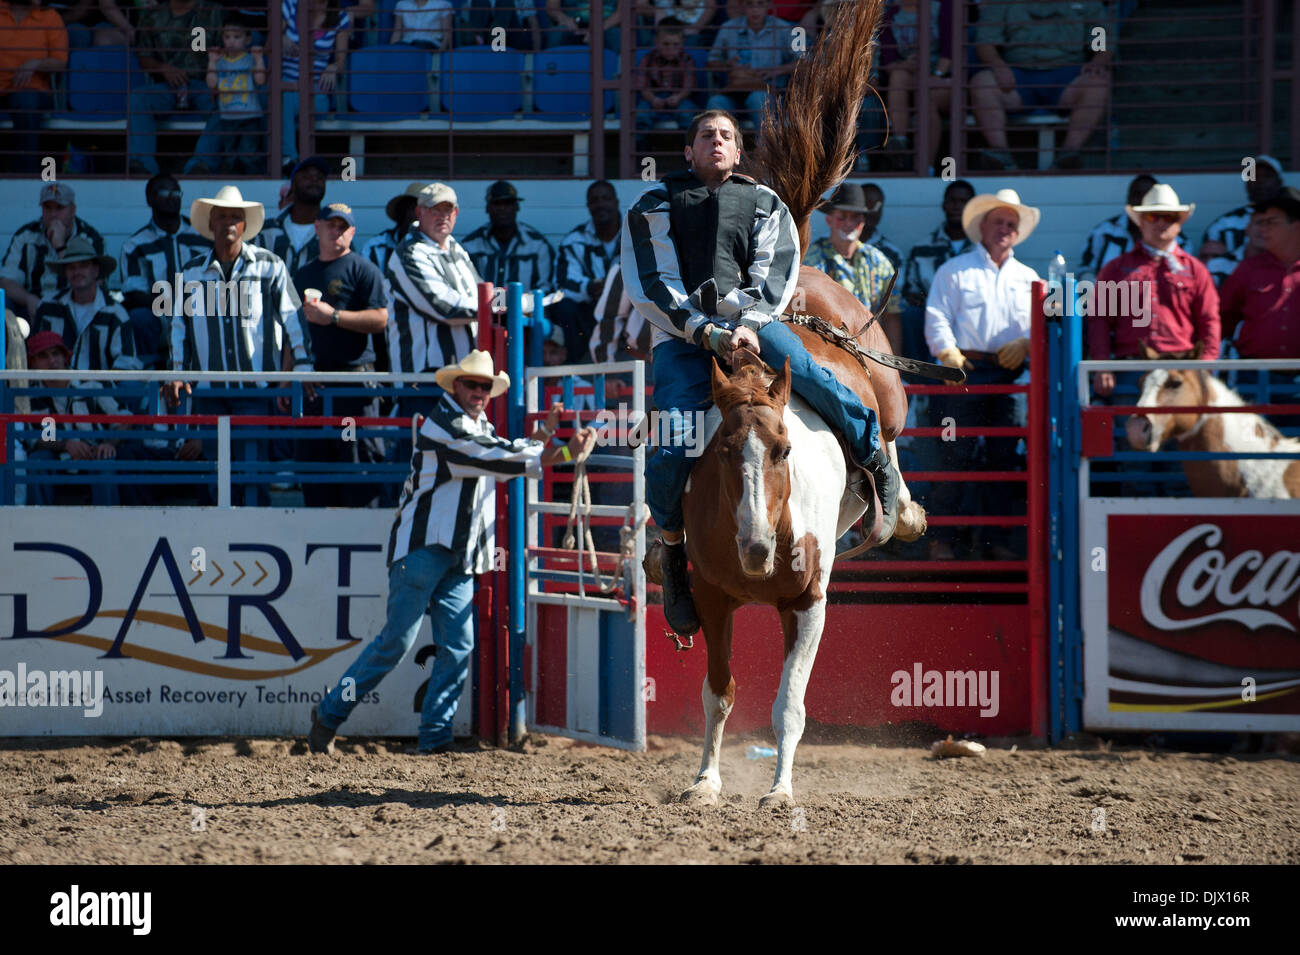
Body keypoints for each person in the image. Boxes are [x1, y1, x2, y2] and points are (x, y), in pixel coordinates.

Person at [622, 109, 902, 635]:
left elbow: (775, 270)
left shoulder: (763, 200)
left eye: (726, 136)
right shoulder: (653, 203)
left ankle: (876, 462)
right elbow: (653, 283)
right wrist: (706, 332)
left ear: (737, 149)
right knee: (674, 436)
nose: (717, 142)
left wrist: (748, 324)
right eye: (706, 135)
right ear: (689, 151)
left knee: (820, 381)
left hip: (753, 323)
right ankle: (674, 552)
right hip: (684, 339)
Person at [306, 350, 596, 755]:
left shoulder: (464, 424)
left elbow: (501, 452)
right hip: (427, 550)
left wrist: (547, 438)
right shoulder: (446, 426)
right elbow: (502, 458)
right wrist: (562, 452)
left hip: (446, 553)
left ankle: (431, 736)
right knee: (399, 644)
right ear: (456, 385)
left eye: (484, 386)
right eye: (473, 384)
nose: (479, 391)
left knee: (450, 645)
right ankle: (332, 715)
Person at [163, 185, 314, 507]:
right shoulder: (191, 272)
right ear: (211, 224)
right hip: (209, 391)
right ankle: (221, 538)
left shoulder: (269, 265)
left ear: (245, 225)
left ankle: (254, 536)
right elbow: (178, 327)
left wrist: (300, 369)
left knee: (252, 470)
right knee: (216, 473)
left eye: (236, 217)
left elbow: (293, 319)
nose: (229, 222)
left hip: (255, 390)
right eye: (222, 217)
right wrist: (176, 372)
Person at [925, 188, 1041, 560]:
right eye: (998, 222)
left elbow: (1042, 325)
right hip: (964, 373)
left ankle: (996, 541)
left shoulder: (1030, 278)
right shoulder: (955, 270)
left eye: (1011, 224)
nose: (1005, 229)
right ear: (982, 227)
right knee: (954, 455)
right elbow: (937, 315)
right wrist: (946, 351)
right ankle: (944, 539)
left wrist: (1026, 343)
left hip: (1009, 377)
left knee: (1002, 458)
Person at [291, 202, 389, 507]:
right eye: (330, 225)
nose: (336, 231)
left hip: (354, 383)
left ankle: (361, 546)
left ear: (352, 232)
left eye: (342, 227)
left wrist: (334, 317)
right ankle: (318, 546)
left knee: (359, 467)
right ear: (317, 227)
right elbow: (290, 331)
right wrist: (288, 376)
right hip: (312, 384)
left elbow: (381, 319)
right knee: (315, 471)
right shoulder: (302, 273)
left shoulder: (363, 269)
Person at [1089, 184, 1220, 396]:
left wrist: (1205, 365)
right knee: (1130, 428)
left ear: (1179, 224)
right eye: (1153, 217)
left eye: (1169, 217)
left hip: (1182, 369)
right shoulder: (1115, 269)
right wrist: (1102, 365)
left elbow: (1209, 321)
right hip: (1132, 367)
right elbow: (1100, 321)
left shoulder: (1196, 271)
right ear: (1140, 222)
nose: (1161, 222)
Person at [970, 0, 1113, 170]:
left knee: (1097, 83)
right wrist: (997, 65)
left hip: (1068, 76)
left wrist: (1098, 61)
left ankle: (1069, 154)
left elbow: (1103, 40)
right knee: (982, 82)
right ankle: (1001, 154)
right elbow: (985, 42)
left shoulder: (1088, 4)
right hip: (1017, 76)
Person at [385, 182, 482, 419]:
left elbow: (480, 293)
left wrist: (509, 303)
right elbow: (445, 308)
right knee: (421, 453)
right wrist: (504, 306)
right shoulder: (409, 252)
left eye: (447, 210)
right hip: (425, 379)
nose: (442, 216)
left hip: (462, 377)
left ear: (456, 214)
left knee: (460, 452)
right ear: (420, 213)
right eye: (435, 210)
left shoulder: (457, 249)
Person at [21, 330, 137, 506]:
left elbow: (125, 421)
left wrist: (109, 444)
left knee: (105, 463)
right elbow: (34, 439)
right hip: (57, 457)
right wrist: (65, 445)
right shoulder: (30, 394)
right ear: (33, 362)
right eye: (43, 356)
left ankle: (109, 528)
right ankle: (39, 528)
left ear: (64, 357)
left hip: (95, 453)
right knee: (37, 462)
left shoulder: (92, 382)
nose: (52, 361)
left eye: (55, 354)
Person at [118, 174, 212, 368]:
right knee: (139, 318)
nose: (172, 197)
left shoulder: (203, 237)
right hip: (159, 315)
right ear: (149, 199)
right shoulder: (136, 244)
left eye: (176, 192)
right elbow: (134, 294)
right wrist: (170, 306)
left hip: (201, 310)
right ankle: (149, 373)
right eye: (164, 192)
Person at [126, 0, 223, 175]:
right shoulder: (151, 14)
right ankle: (142, 166)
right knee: (139, 98)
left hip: (204, 85)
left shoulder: (213, 11)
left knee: (226, 102)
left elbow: (230, 49)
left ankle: (201, 165)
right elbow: (143, 57)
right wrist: (163, 68)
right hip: (167, 86)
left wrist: (214, 77)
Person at [803, 182, 902, 353]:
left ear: (863, 222)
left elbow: (892, 316)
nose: (849, 223)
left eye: (855, 217)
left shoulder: (879, 261)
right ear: (829, 220)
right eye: (842, 216)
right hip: (824, 346)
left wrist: (894, 366)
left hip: (871, 349)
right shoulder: (810, 260)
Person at [33, 235, 139, 374]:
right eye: (71, 267)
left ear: (96, 270)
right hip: (53, 391)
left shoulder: (116, 314)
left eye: (83, 266)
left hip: (100, 392)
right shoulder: (47, 307)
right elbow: (33, 352)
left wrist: (99, 387)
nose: (77, 272)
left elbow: (127, 363)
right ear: (65, 272)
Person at [2, 183, 107, 323]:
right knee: (4, 305)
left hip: (72, 308)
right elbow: (6, 281)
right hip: (32, 307)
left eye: (59, 208)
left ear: (73, 210)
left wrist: (60, 246)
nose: (53, 214)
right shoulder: (26, 235)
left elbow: (96, 285)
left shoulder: (90, 238)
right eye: (48, 208)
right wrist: (28, 300)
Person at [1220, 186, 1300, 363]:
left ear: (1295, 226)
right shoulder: (1248, 269)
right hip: (1253, 376)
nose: (1263, 229)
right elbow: (1222, 318)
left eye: (1271, 222)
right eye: (1261, 222)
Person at [901, 179, 973, 361]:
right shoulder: (922, 248)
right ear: (944, 205)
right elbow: (910, 291)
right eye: (953, 201)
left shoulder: (983, 249)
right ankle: (917, 382)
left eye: (964, 202)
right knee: (910, 315)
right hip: (930, 314)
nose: (957, 206)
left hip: (972, 315)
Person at [186, 16, 266, 175]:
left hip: (250, 116)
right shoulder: (220, 62)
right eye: (227, 37)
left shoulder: (250, 60)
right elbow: (211, 83)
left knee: (248, 154)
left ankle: (251, 179)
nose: (231, 41)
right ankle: (233, 179)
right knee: (230, 154)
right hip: (227, 117)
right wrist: (212, 62)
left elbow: (260, 79)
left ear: (248, 39)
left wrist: (258, 59)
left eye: (237, 37)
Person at [879, 0, 953, 171]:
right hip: (910, 73)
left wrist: (936, 76)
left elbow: (949, 50)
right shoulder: (890, 16)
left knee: (926, 98)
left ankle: (926, 167)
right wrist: (906, 65)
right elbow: (889, 63)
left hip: (942, 77)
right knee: (898, 76)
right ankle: (900, 141)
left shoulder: (941, 8)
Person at [553, 180, 621, 363]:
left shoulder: (635, 235)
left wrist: (615, 291)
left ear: (616, 202)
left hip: (627, 310)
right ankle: (576, 367)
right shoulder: (574, 241)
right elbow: (563, 286)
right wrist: (591, 287)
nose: (600, 204)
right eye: (594, 200)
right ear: (588, 206)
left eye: (606, 198)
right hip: (590, 310)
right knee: (564, 308)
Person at [279, 0, 350, 176]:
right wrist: (280, 39)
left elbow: (341, 61)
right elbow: (267, 46)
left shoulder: (340, 17)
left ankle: (290, 160)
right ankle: (293, 159)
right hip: (287, 82)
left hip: (317, 87)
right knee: (285, 99)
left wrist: (333, 67)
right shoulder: (290, 7)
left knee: (288, 103)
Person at [0, 0, 68, 174]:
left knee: (25, 100)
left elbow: (60, 62)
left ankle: (26, 176)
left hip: (33, 93)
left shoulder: (50, 17)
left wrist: (36, 63)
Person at [705, 0, 797, 129]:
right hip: (735, 90)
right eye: (749, 4)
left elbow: (805, 60)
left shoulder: (786, 29)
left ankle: (765, 148)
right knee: (715, 102)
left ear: (769, 5)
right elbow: (710, 62)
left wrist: (777, 70)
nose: (755, 9)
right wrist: (727, 65)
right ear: (743, 5)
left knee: (758, 99)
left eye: (760, 4)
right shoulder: (727, 27)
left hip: (770, 91)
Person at [1199, 155, 1286, 287]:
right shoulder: (1223, 225)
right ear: (1248, 228)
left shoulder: (1294, 221)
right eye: (1254, 176)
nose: (1260, 181)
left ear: (1279, 182)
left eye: (1266, 176)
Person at [460, 180, 556, 295]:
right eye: (497, 204)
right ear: (487, 209)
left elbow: (546, 288)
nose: (502, 209)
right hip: (483, 309)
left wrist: (520, 304)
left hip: (525, 310)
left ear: (517, 208)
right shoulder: (471, 245)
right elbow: (464, 287)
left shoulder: (537, 245)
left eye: (508, 203)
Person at [1079, 173, 1164, 284]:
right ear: (1128, 198)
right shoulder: (1104, 232)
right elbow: (1086, 270)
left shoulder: (1173, 240)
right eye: (1137, 194)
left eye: (1147, 196)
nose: (1141, 200)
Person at [257, 156, 331, 275]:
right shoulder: (267, 231)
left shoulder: (335, 232)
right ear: (293, 185)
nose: (314, 180)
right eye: (306, 177)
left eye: (320, 177)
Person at [635, 17, 697, 136]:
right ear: (656, 42)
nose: (671, 49)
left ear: (682, 43)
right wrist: (652, 99)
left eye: (675, 44)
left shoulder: (687, 60)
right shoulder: (648, 59)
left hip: (679, 98)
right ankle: (642, 150)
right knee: (641, 115)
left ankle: (686, 149)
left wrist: (678, 97)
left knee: (687, 114)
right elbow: (643, 86)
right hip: (653, 98)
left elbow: (688, 86)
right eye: (666, 44)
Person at [459, 0, 541, 51]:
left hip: (511, 40)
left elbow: (534, 26)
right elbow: (465, 24)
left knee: (505, 2)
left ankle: (496, 40)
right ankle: (481, 41)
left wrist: (536, 57)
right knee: (480, 2)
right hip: (483, 38)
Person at [856, 182, 903, 271]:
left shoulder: (891, 253)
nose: (872, 212)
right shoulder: (828, 246)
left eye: (878, 207)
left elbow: (897, 284)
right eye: (867, 205)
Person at [545, 0, 621, 52]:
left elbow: (622, 12)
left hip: (607, 25)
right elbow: (552, 8)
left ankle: (615, 73)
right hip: (572, 23)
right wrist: (566, 21)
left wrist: (599, 29)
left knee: (616, 36)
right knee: (558, 34)